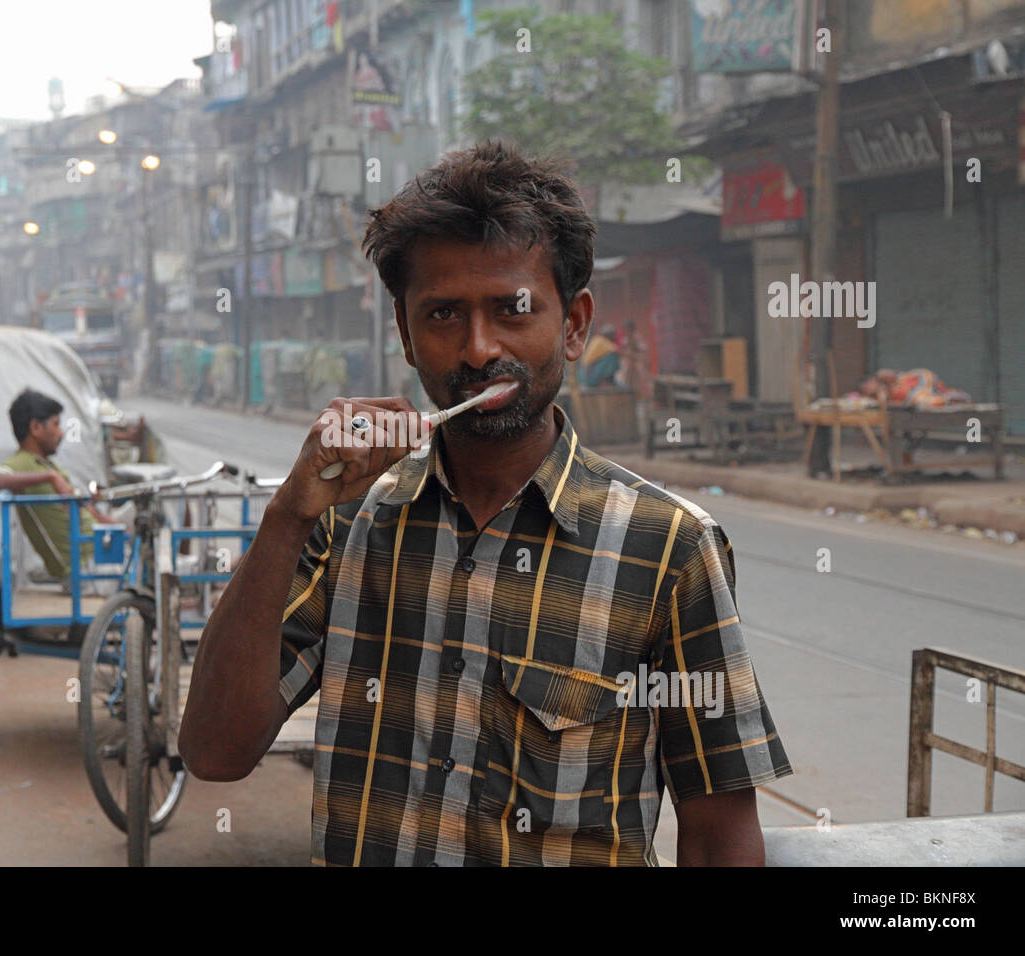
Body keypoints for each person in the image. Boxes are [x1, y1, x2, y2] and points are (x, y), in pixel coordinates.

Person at [179, 141, 792, 867]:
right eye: (442, 315)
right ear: (406, 336)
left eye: (512, 310)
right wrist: (288, 516)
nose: (477, 350)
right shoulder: (346, 527)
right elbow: (215, 752)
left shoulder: (669, 547)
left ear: (573, 324)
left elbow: (719, 828)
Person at [0, 388, 112, 582]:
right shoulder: (22, 463)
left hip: (100, 552)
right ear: (36, 428)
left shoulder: (45, 463)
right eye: (55, 425)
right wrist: (49, 476)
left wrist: (119, 527)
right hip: (86, 568)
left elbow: (88, 512)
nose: (62, 433)